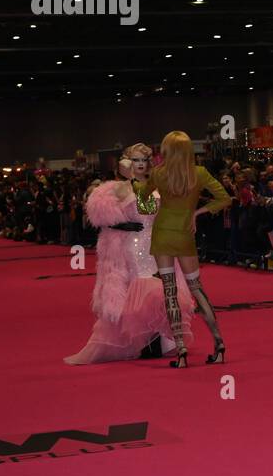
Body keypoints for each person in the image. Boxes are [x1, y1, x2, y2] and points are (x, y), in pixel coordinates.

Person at [65, 144, 193, 365]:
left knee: (162, 288)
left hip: (158, 243)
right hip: (133, 246)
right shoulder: (120, 189)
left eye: (144, 159)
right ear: (126, 163)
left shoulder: (159, 186)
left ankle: (158, 340)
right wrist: (123, 225)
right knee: (142, 289)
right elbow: (104, 219)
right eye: (135, 160)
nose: (140, 164)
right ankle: (144, 342)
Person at [131, 131, 233, 368]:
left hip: (163, 233)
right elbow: (225, 198)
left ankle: (181, 350)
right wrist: (197, 213)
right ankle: (218, 342)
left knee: (170, 290)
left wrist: (137, 186)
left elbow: (145, 207)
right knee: (197, 289)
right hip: (185, 235)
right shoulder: (199, 173)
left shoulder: (158, 173)